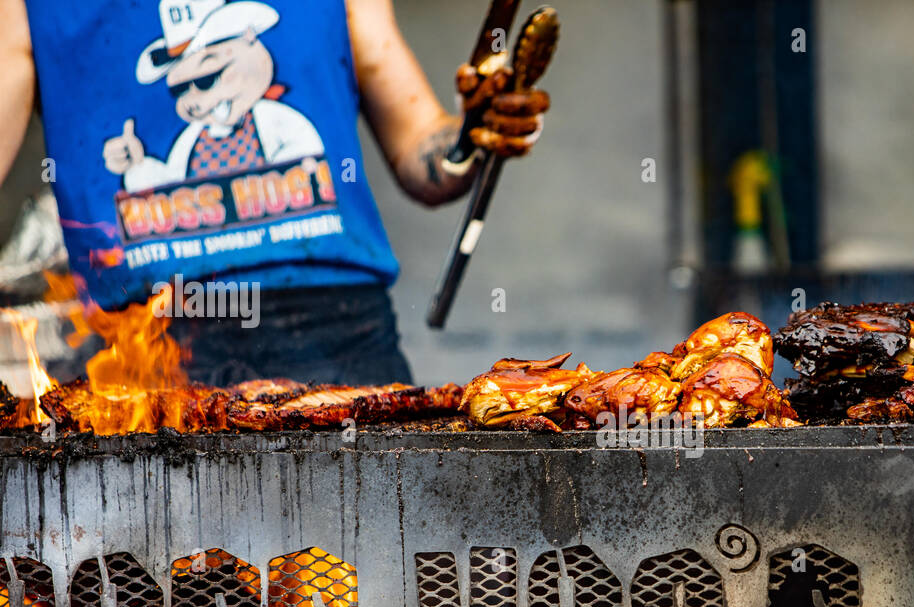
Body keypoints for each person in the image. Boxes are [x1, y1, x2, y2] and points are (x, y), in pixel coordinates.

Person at [0, 0, 551, 385]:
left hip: (337, 332)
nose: (194, 97)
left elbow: (423, 157)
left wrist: (473, 134)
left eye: (208, 75)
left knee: (367, 551)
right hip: (143, 349)